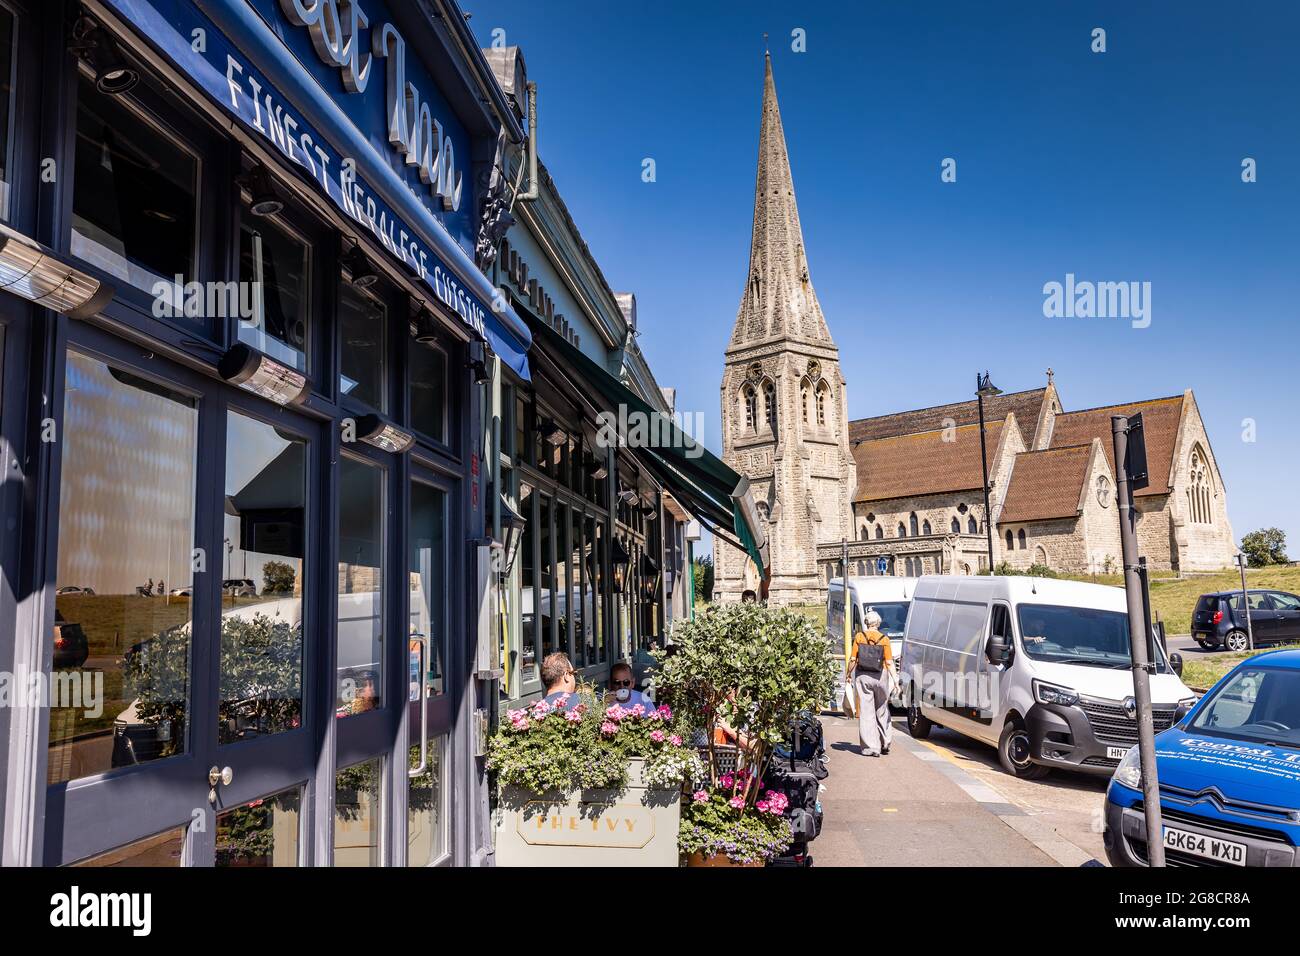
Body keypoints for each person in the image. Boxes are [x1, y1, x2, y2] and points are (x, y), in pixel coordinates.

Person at [847, 608, 894, 757]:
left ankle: (871, 747)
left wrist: (848, 674)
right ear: (878, 623)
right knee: (882, 709)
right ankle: (885, 741)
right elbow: (889, 662)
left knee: (867, 712)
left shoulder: (859, 637)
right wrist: (895, 678)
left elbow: (853, 659)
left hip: (863, 676)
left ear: (866, 623)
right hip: (881, 676)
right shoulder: (884, 639)